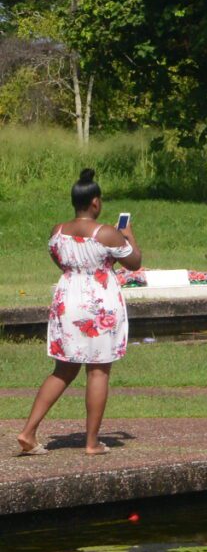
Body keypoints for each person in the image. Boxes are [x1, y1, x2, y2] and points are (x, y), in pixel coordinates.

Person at [16, 169, 143, 457]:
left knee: (63, 369)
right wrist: (129, 236)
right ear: (95, 202)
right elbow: (134, 263)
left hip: (68, 299)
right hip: (99, 303)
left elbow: (61, 261)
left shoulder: (57, 231)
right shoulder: (106, 233)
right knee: (98, 370)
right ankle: (92, 442)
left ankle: (28, 432)